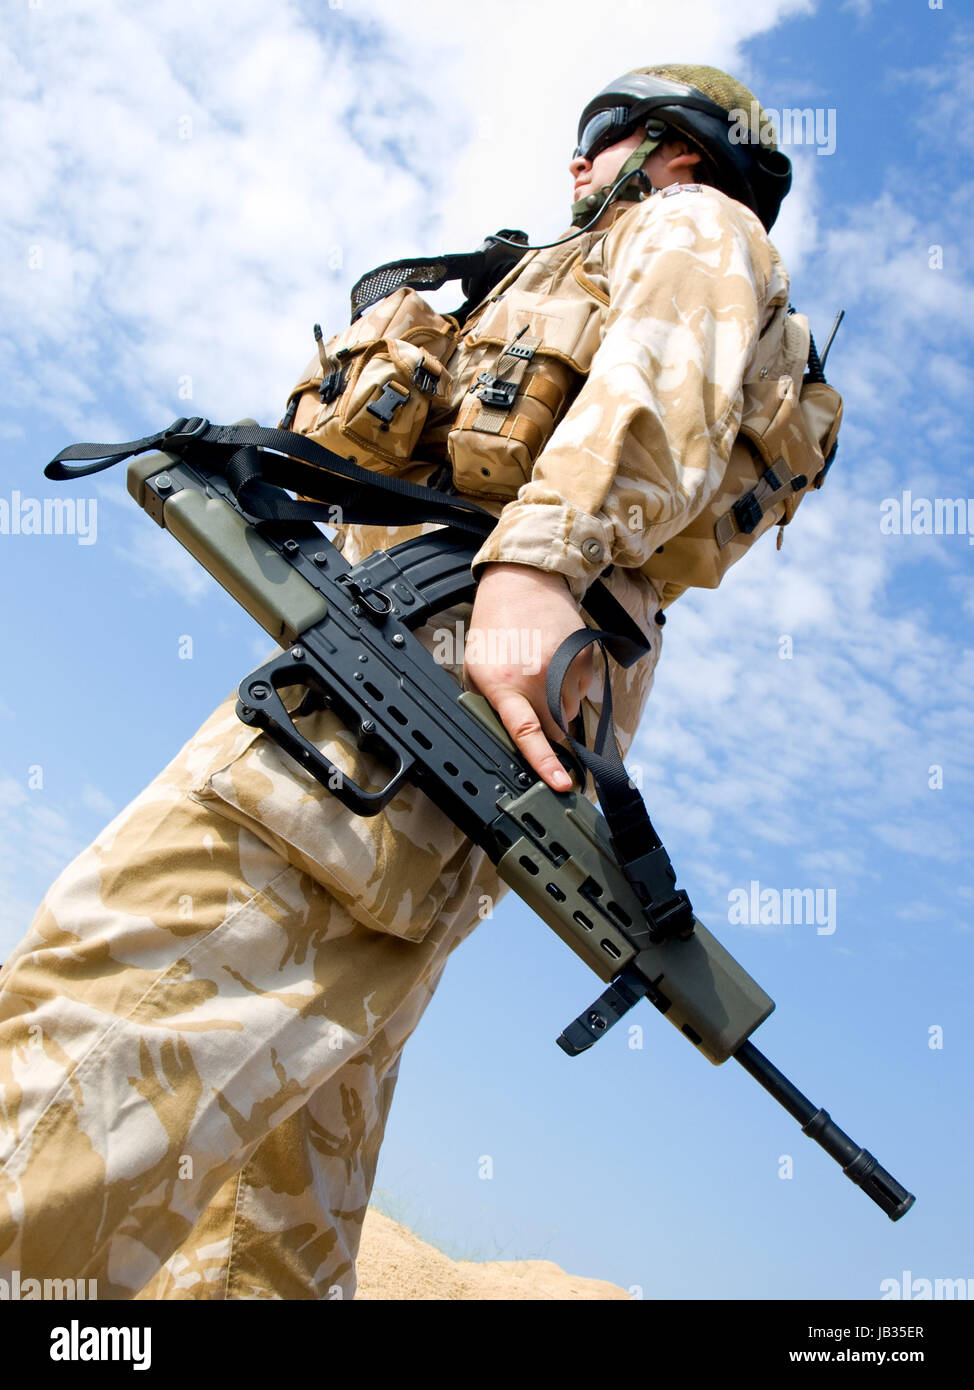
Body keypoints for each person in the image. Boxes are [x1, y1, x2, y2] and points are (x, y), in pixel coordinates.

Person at [0, 64, 806, 1299]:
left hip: (428, 679)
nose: (575, 166)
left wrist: (540, 562)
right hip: (425, 687)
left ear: (677, 150)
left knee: (119, 992)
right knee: (295, 1132)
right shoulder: (572, 260)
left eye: (600, 137)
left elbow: (662, 389)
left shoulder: (695, 224)